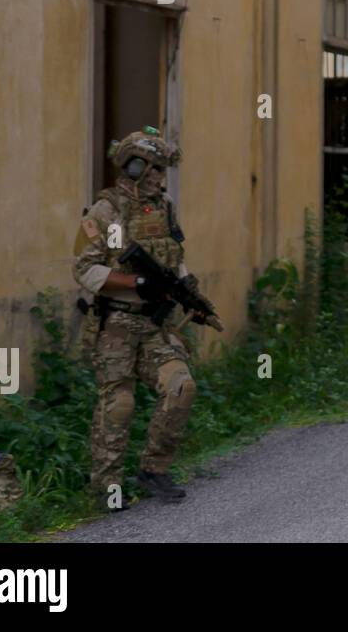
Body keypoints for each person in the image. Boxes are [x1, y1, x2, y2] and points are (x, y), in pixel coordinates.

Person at [73, 126, 220, 505]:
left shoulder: (165, 208)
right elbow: (84, 270)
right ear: (134, 167)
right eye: (153, 169)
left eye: (162, 170)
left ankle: (153, 469)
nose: (159, 178)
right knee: (118, 404)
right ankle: (107, 488)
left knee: (181, 386)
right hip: (117, 325)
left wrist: (190, 295)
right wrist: (135, 282)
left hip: (156, 324)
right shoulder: (103, 211)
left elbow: (175, 258)